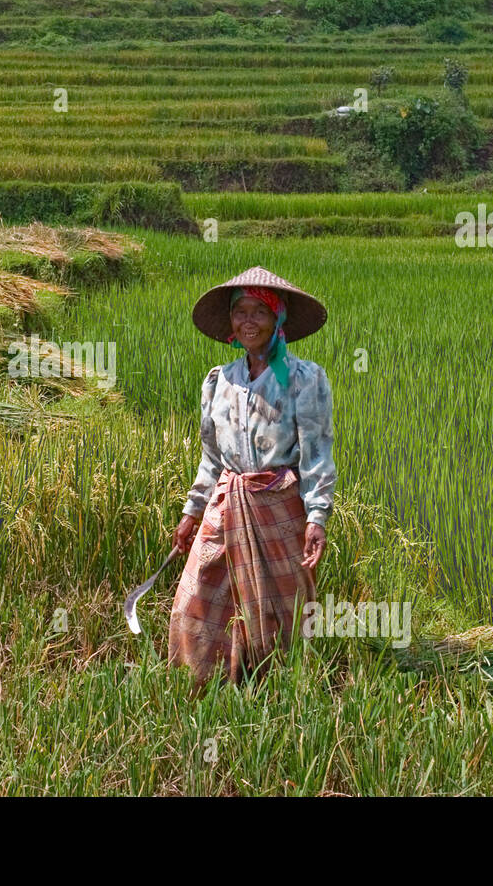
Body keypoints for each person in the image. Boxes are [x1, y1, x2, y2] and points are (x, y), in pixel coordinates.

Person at [168, 266, 335, 685]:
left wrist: (317, 518)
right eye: (240, 311)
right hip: (226, 503)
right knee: (198, 592)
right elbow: (211, 457)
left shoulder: (304, 379)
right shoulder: (218, 382)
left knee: (279, 605)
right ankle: (201, 681)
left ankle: (275, 686)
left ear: (277, 318)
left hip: (279, 507)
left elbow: (316, 454)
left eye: (259, 312)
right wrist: (192, 511)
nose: (248, 321)